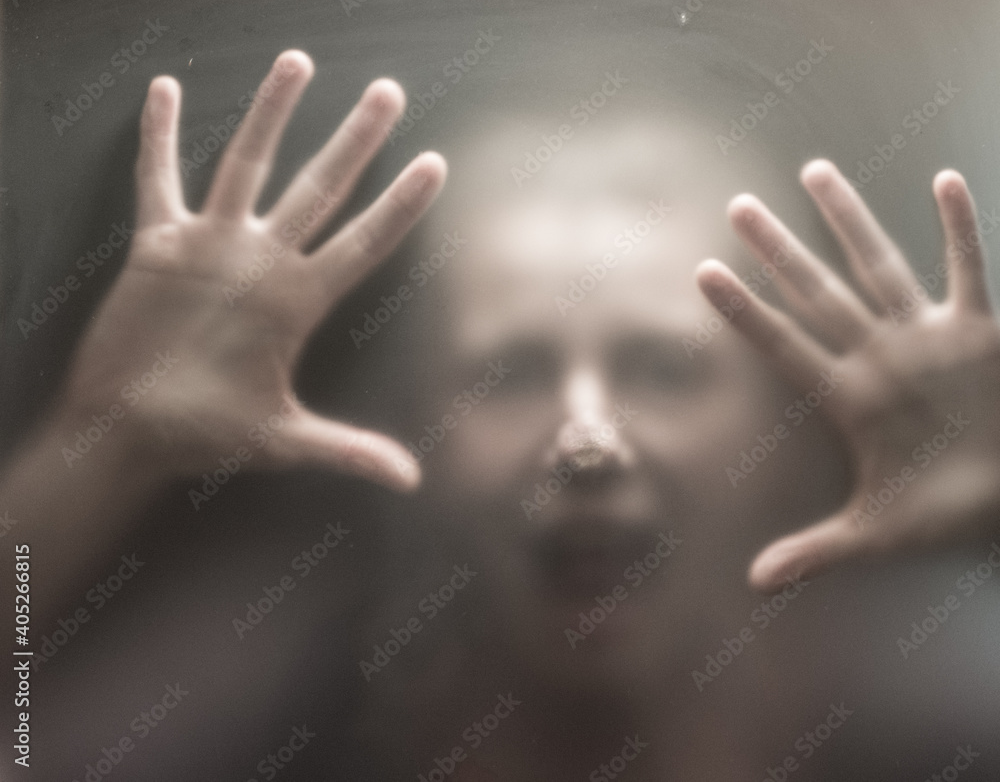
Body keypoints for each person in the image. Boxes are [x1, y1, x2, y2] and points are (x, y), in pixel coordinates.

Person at [4, 50, 999, 778]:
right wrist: (99, 448)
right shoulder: (261, 712)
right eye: (511, 371)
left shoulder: (929, 725)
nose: (586, 438)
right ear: (415, 415)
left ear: (780, 422)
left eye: (662, 368)